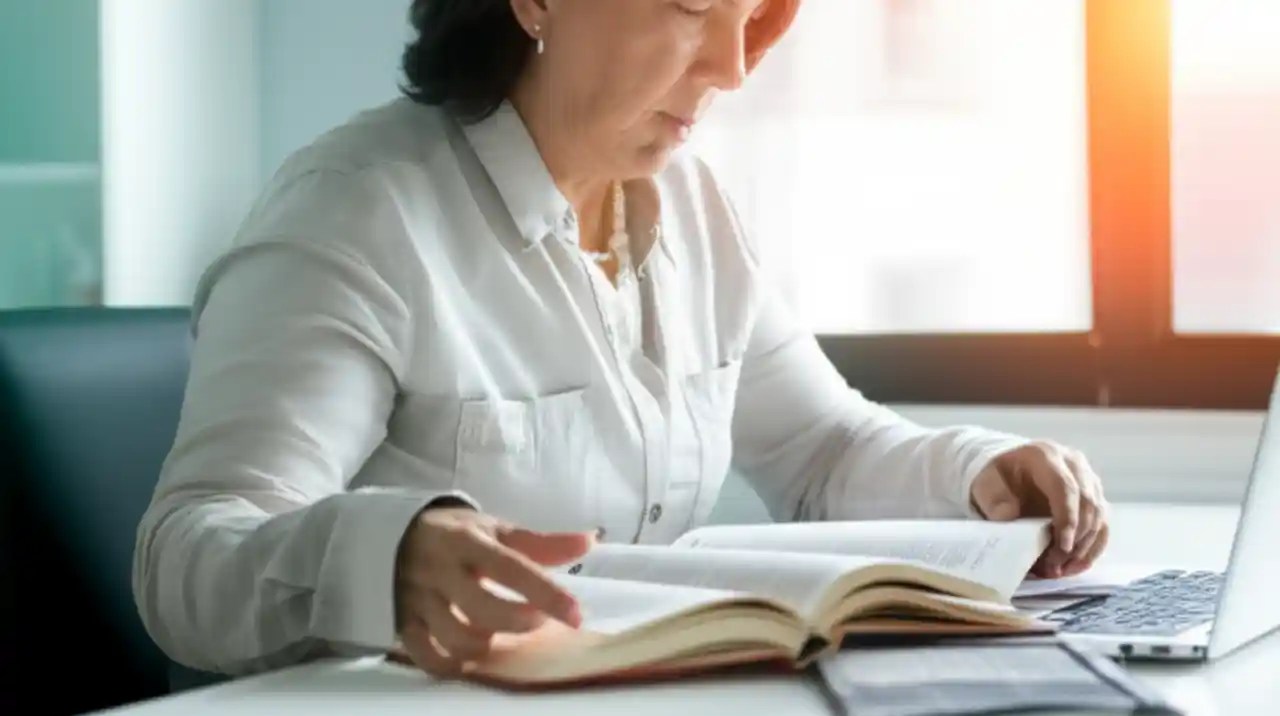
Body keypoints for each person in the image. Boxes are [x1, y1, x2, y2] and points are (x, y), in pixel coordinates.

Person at [132, 0, 1110, 681]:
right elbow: (188, 557)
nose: (732, 66)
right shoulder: (357, 218)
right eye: (690, 5)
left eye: (747, 11)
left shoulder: (692, 204)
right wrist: (383, 557)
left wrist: (983, 470)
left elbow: (822, 448)